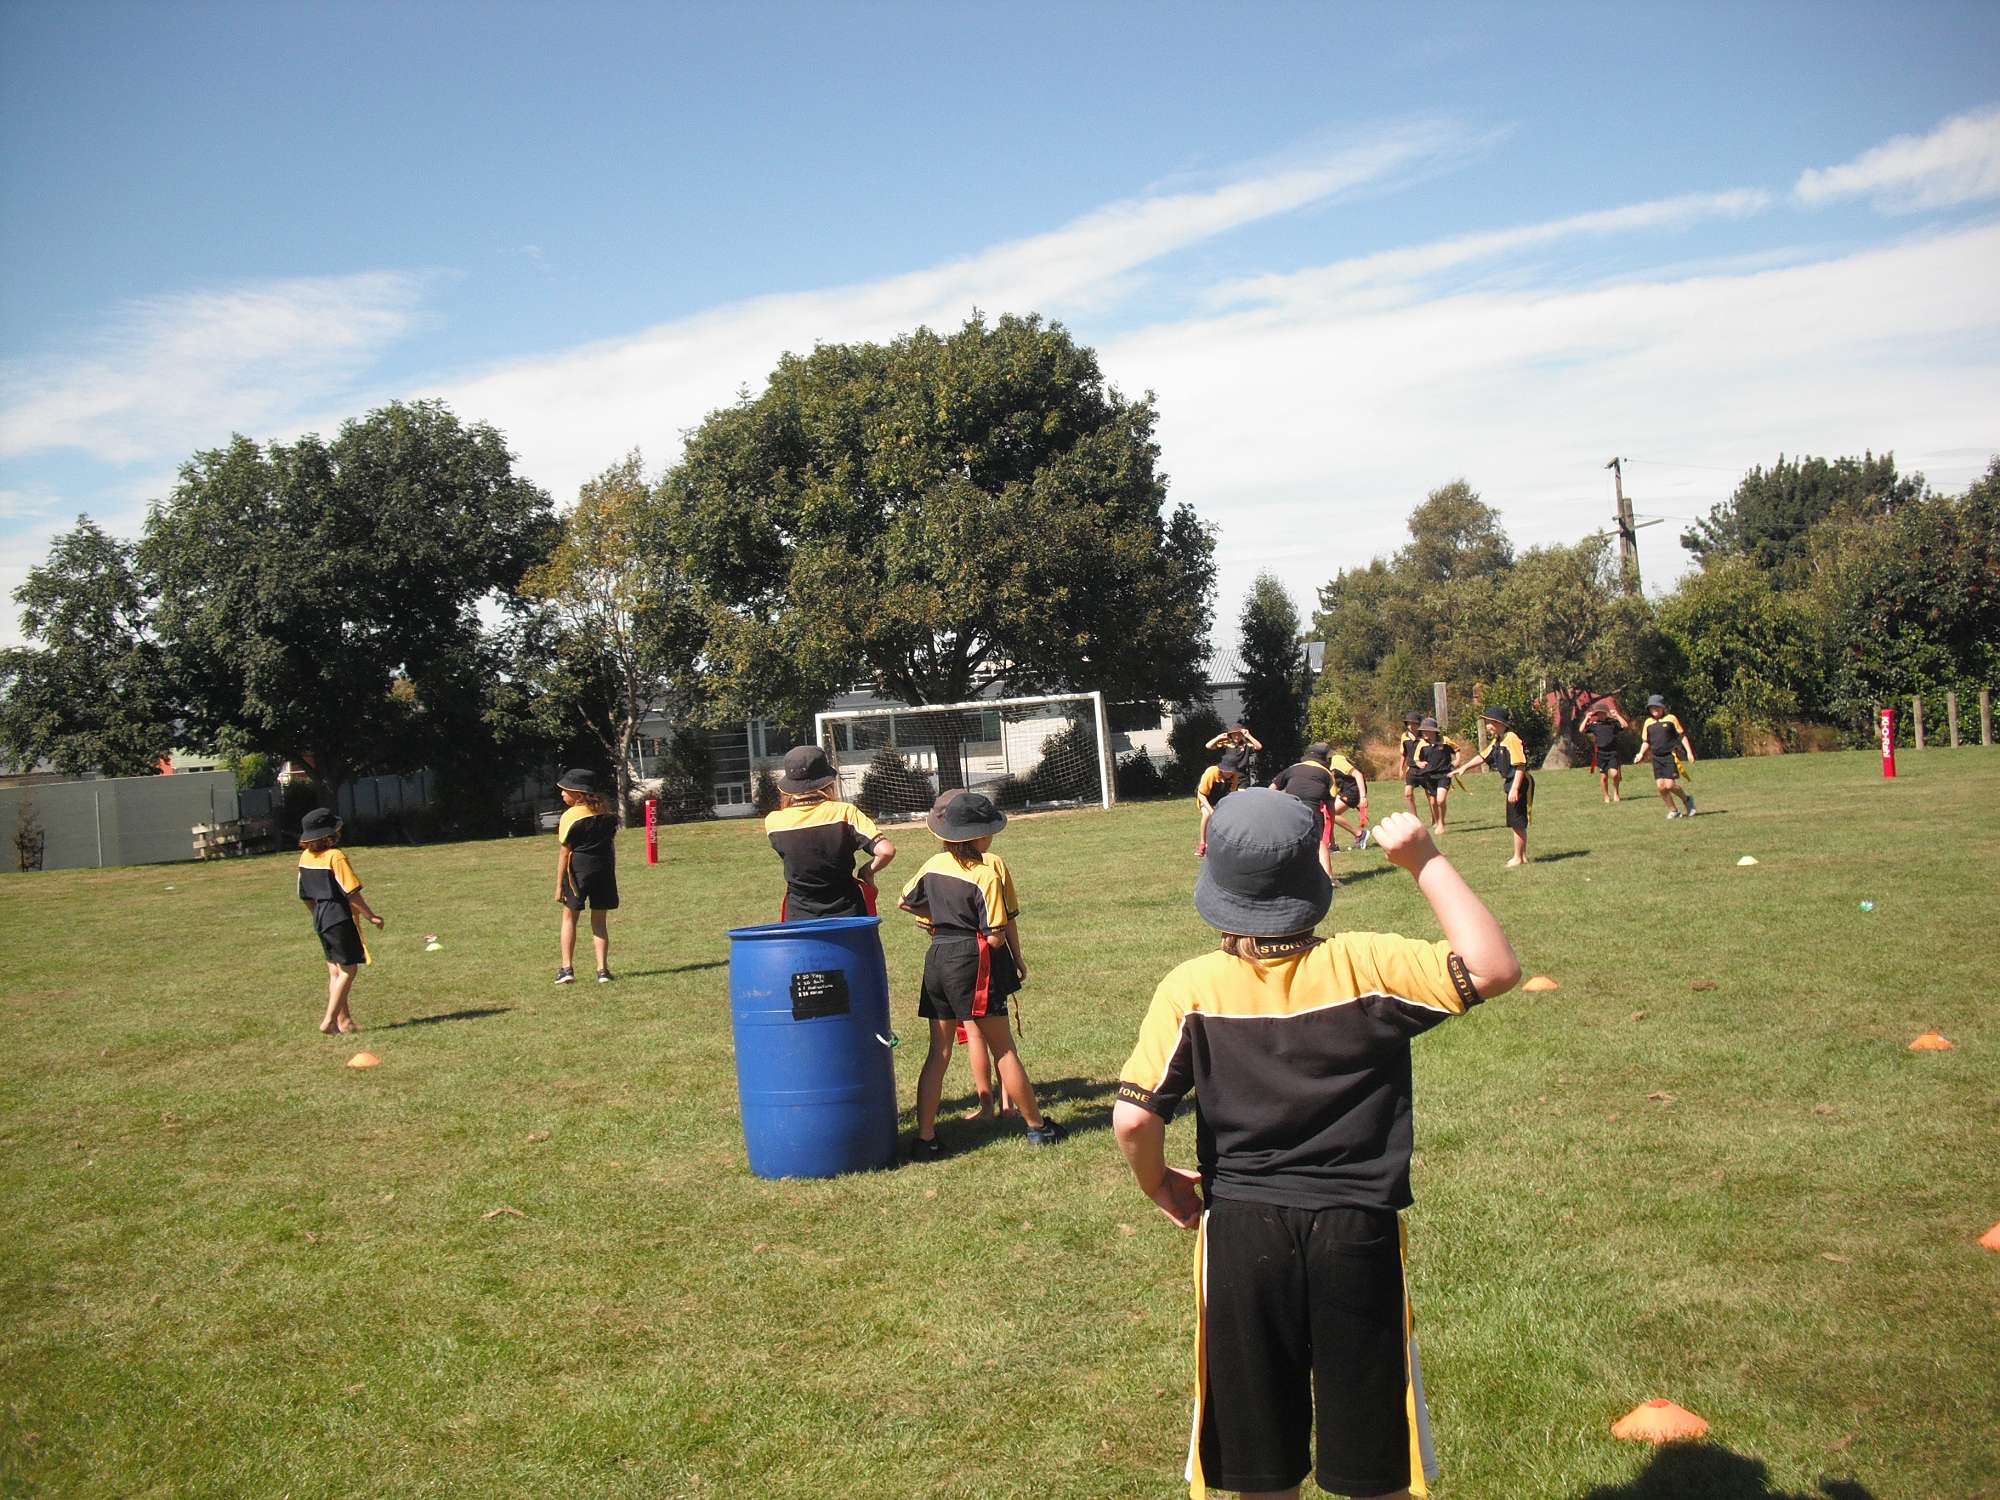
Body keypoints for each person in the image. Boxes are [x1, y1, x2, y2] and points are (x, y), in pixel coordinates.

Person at [1112, 791, 1520, 1500]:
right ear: (1316, 876)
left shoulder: (1191, 988)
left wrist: (1158, 1184)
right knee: (1373, 1458)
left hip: (1240, 1232)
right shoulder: (1368, 965)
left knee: (1257, 1460)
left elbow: (1134, 1120)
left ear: (1216, 885)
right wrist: (1423, 860)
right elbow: (1494, 968)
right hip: (1355, 1228)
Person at [899, 790, 1066, 1158]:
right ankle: (1038, 1127)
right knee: (1004, 1047)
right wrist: (996, 939)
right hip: (971, 962)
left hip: (937, 957)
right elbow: (993, 937)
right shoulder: (986, 874)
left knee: (938, 1051)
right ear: (977, 837)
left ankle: (926, 1137)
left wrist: (935, 920)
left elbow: (904, 901)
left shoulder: (930, 865)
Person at [765, 744, 896, 919]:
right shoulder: (845, 812)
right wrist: (867, 872)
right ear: (827, 780)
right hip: (848, 911)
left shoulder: (774, 821)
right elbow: (886, 851)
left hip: (799, 914)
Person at [296, 808, 385, 1035]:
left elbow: (304, 894)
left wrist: (317, 914)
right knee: (349, 970)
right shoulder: (336, 856)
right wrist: (371, 916)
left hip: (320, 916)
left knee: (335, 972)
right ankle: (328, 1021)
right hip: (338, 916)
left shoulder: (305, 857)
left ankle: (344, 1023)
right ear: (329, 835)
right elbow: (351, 892)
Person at [553, 768, 618, 984]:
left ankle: (566, 968)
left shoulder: (570, 816)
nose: (562, 795)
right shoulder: (608, 814)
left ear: (578, 794)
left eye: (565, 791)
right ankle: (603, 971)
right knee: (599, 921)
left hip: (579, 871)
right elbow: (611, 847)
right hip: (604, 870)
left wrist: (558, 886)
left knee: (570, 917)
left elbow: (565, 852)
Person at [1451, 706, 1533, 868]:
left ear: (1498, 722)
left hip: (1519, 781)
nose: (1487, 725)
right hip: (1511, 782)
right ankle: (1521, 857)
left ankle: (1518, 857)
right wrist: (1464, 768)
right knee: (1515, 821)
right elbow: (1483, 756)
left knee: (1517, 821)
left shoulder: (1511, 739)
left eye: (1489, 722)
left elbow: (1520, 765)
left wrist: (1515, 789)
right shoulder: (1498, 740)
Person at [1634, 694, 1696, 818]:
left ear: (1662, 707)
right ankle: (1674, 810)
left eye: (1657, 707)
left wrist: (1689, 752)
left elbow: (1682, 736)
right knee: (1661, 787)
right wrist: (1640, 754)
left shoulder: (1671, 719)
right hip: (1656, 758)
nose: (1654, 710)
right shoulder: (1648, 723)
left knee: (1670, 785)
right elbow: (1646, 741)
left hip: (1670, 756)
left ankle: (1687, 800)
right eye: (1652, 708)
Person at [1409, 717, 1459, 833]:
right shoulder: (1421, 743)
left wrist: (1457, 761)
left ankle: (1441, 823)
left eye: (1426, 730)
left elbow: (1457, 749)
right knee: (1433, 801)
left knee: (1440, 800)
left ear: (1433, 731)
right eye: (1423, 730)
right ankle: (1437, 821)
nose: (1424, 733)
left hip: (1444, 774)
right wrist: (1420, 763)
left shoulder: (1444, 740)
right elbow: (1416, 759)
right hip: (1429, 776)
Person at [1195, 756, 1244, 856]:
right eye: (1228, 770)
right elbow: (1201, 794)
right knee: (1207, 815)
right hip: (1205, 798)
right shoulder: (1211, 772)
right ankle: (1202, 844)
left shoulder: (1234, 776)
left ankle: (1229, 843)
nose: (1230, 773)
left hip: (1220, 799)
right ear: (1222, 768)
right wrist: (1211, 810)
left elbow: (1231, 794)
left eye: (1232, 771)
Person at [1582, 700, 1629, 803]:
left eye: (1602, 713)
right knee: (1603, 777)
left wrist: (1617, 716)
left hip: (1613, 752)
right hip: (1601, 753)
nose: (1601, 715)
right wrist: (1586, 718)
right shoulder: (1594, 725)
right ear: (1597, 714)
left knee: (1615, 774)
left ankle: (1616, 793)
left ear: (1605, 713)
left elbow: (1625, 726)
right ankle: (1606, 796)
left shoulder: (1612, 723)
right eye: (1599, 713)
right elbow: (1581, 730)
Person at [1398, 711, 1425, 818]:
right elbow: (1403, 754)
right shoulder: (1404, 736)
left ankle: (1435, 819)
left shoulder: (1424, 736)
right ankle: (1415, 819)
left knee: (1430, 796)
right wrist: (1401, 768)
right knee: (1408, 794)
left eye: (1413, 723)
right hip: (1411, 769)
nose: (1411, 726)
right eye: (1409, 723)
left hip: (1424, 768)